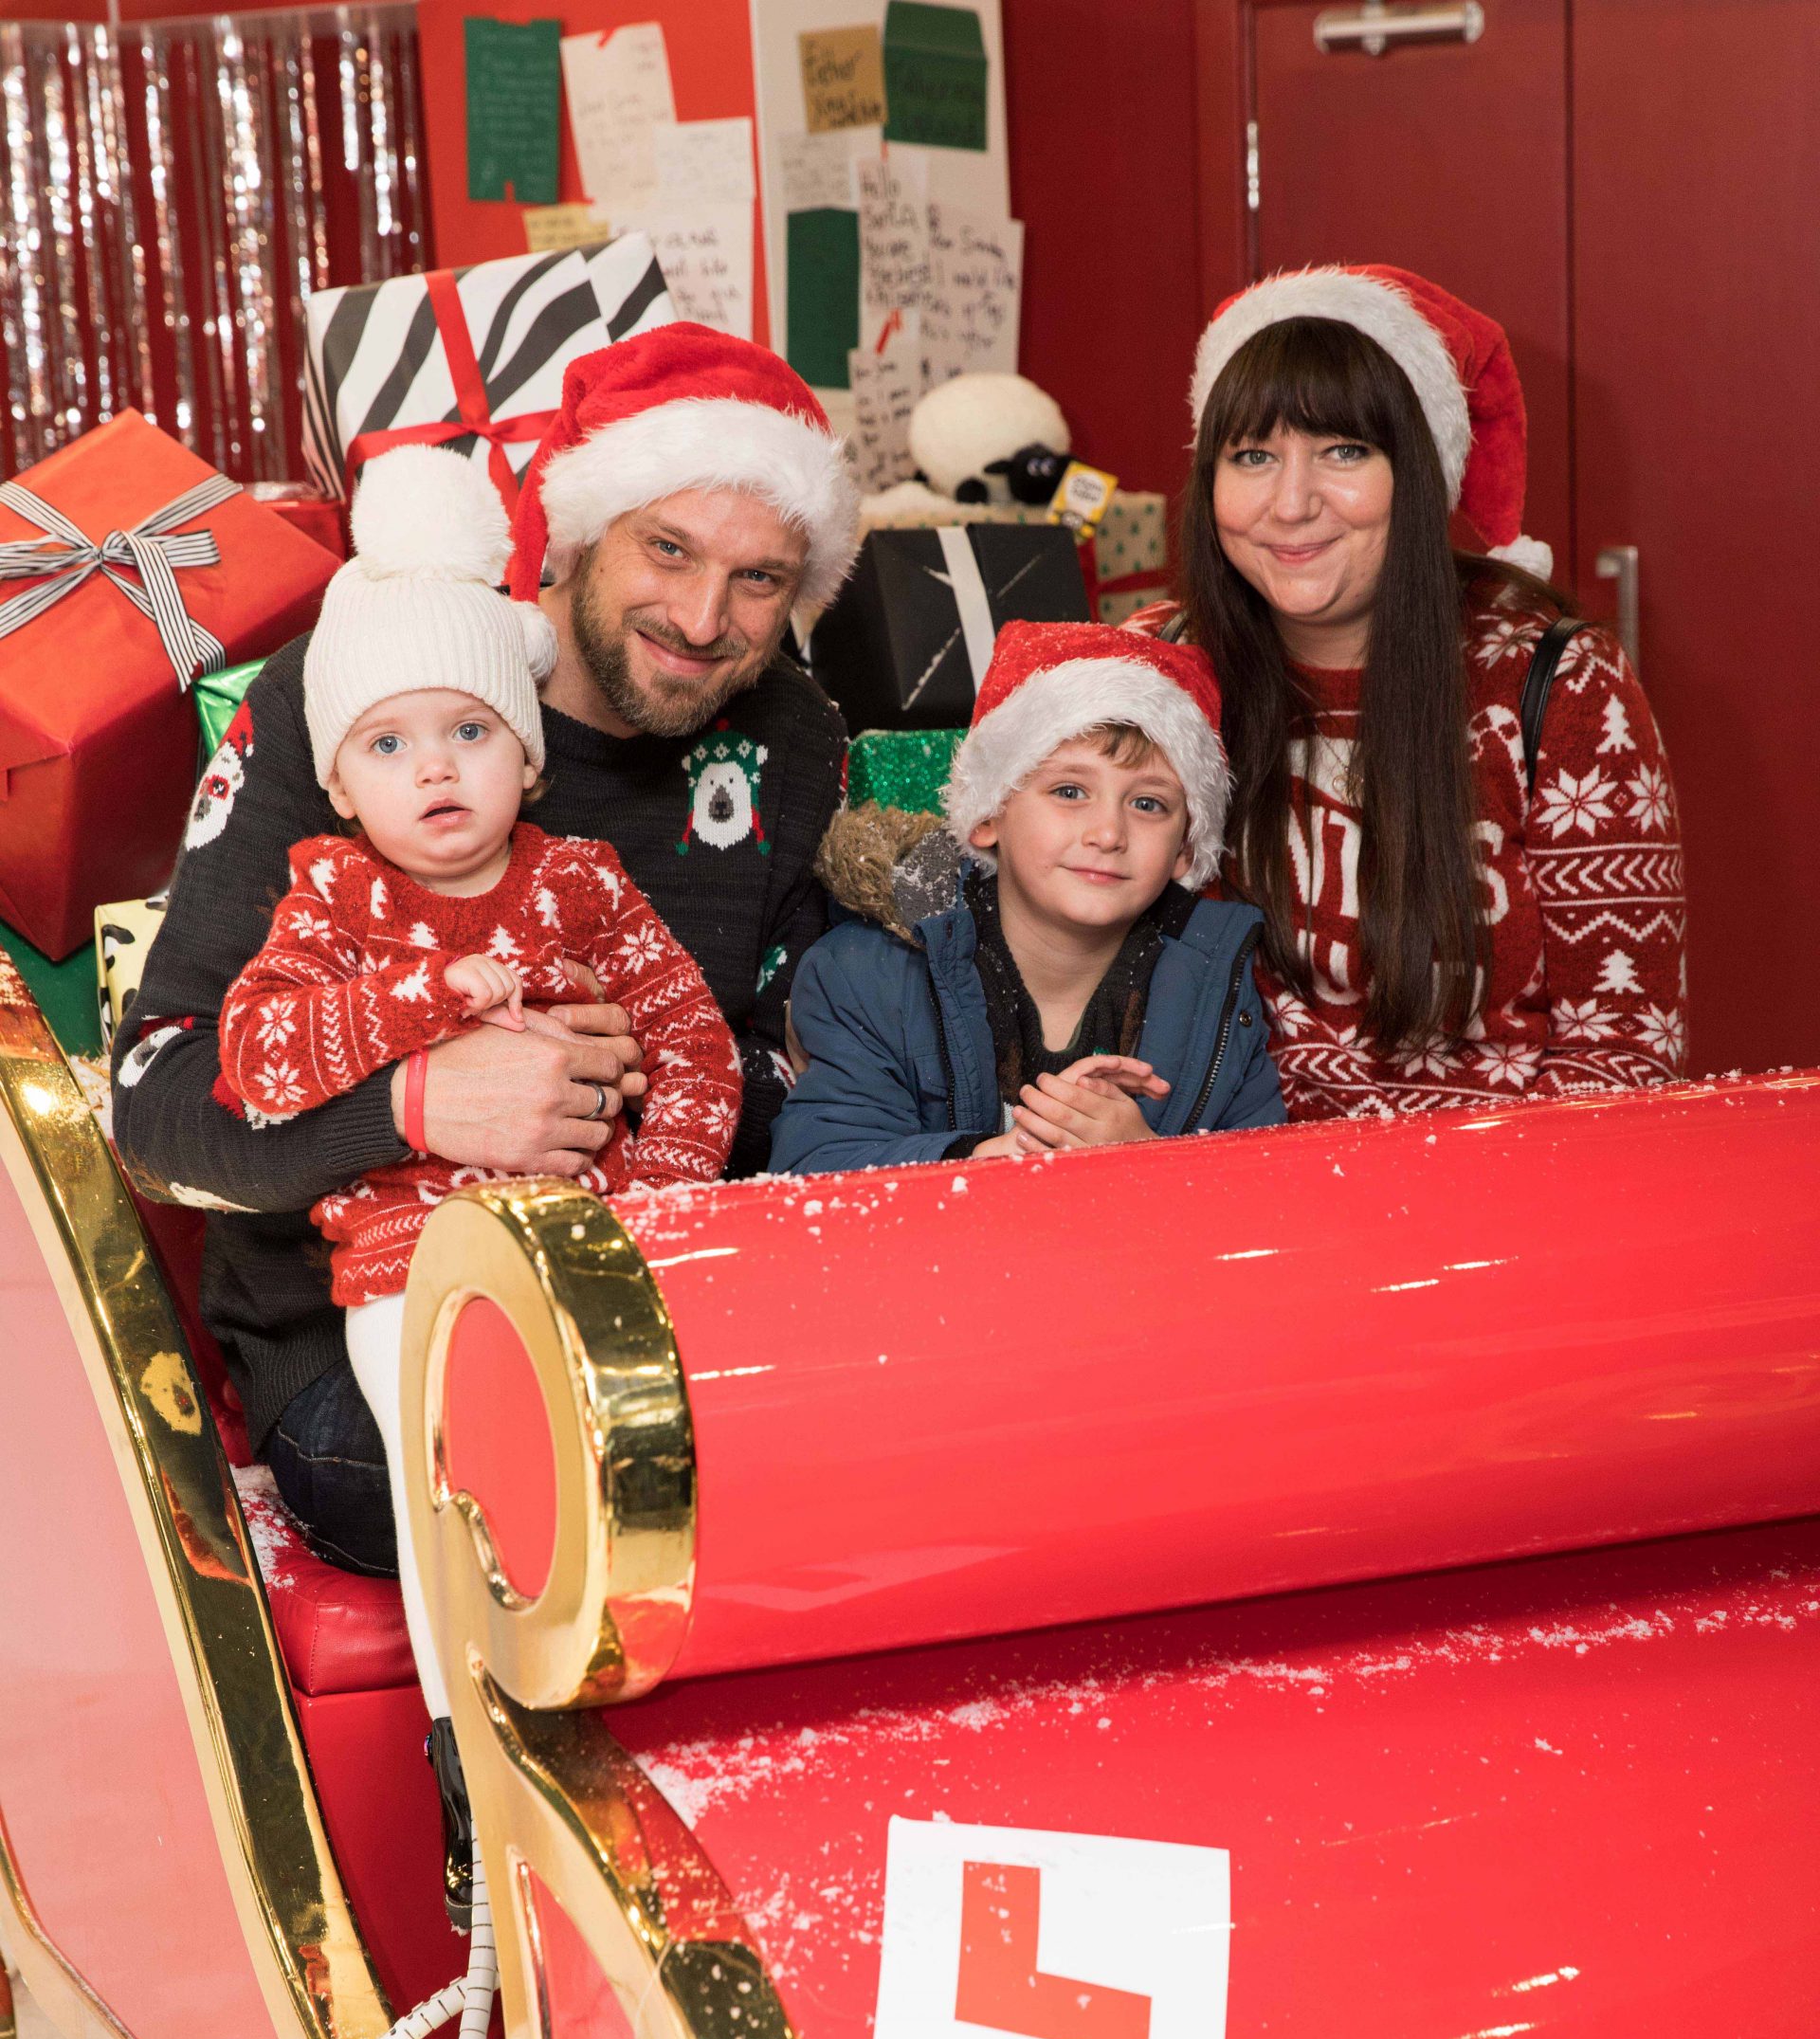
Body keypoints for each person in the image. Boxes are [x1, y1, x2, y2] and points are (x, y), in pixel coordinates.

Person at [112, 323, 859, 1581]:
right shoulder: (363, 693)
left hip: (651, 1274)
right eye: (667, 549)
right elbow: (156, 1102)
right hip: (357, 1313)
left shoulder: (791, 735)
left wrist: (623, 1090)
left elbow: (801, 1065)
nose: (701, 618)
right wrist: (415, 1101)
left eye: (760, 579)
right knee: (530, 1476)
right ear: (579, 534)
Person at [215, 446, 739, 1917]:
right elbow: (256, 1061)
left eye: (468, 730)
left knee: (649, 1463)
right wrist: (428, 998)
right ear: (339, 782)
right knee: (450, 1480)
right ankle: (476, 1771)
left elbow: (695, 1043)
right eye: (388, 745)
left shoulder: (580, 887)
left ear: (528, 755)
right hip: (411, 1271)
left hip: (589, 1247)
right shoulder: (332, 904)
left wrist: (665, 1197)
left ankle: (652, 1755)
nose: (435, 769)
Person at [1136, 264, 1687, 1120]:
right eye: (1252, 456)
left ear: (1422, 471)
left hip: (1496, 1181)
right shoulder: (1156, 667)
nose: (1291, 503)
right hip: (1218, 1173)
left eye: (1344, 451)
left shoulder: (1560, 682)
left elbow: (1623, 1055)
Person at [771, 620, 1283, 1173]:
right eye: (1070, 791)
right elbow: (816, 1166)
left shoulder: (1216, 982)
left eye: (1147, 804)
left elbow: (1266, 1184)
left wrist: (1149, 1162)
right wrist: (1006, 1158)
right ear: (988, 813)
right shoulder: (867, 973)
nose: (1108, 833)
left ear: (1185, 847)